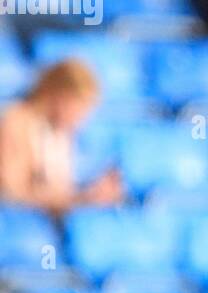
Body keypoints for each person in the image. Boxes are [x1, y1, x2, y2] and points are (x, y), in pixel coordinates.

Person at [0, 59, 122, 215]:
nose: (81, 120)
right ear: (59, 97)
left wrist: (89, 195)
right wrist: (80, 199)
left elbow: (59, 192)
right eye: (79, 109)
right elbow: (12, 195)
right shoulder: (15, 123)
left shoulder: (61, 133)